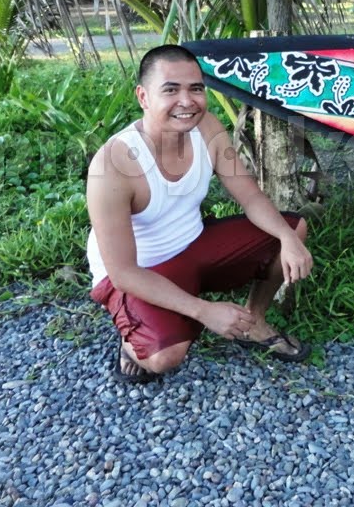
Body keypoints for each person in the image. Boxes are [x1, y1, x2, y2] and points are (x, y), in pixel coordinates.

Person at [86, 45, 314, 383]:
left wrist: (286, 238)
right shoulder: (114, 165)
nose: (187, 100)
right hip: (140, 271)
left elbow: (250, 196)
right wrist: (204, 311)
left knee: (293, 229)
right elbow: (122, 273)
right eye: (171, 89)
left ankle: (253, 322)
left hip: (193, 245)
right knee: (164, 357)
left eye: (195, 88)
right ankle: (132, 335)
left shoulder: (206, 127)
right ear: (143, 97)